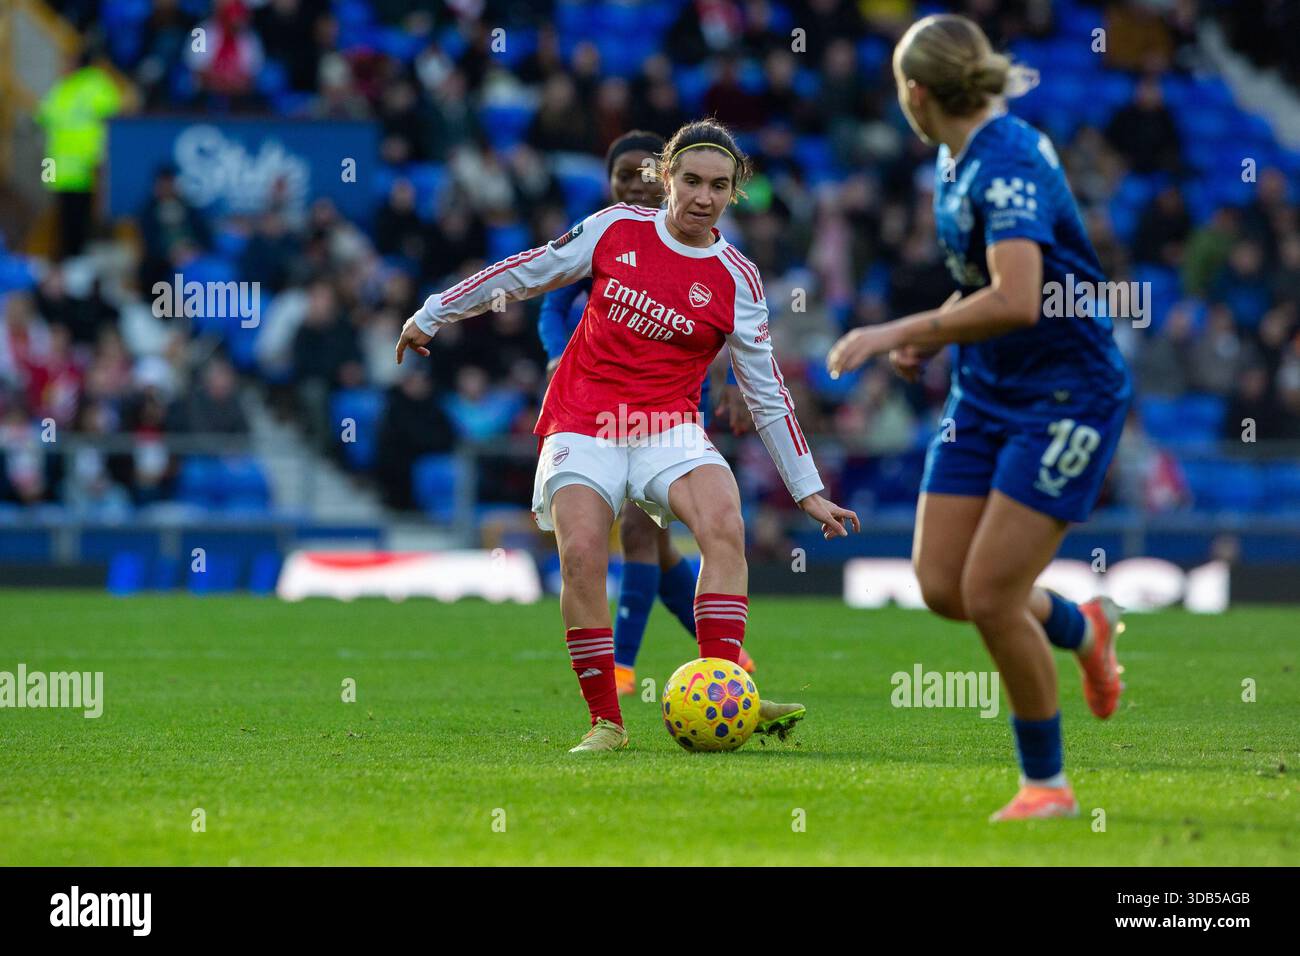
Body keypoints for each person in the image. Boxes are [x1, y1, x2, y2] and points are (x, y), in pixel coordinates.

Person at [399, 118, 859, 752]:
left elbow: (767, 390)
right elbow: (528, 272)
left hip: (666, 427)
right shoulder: (616, 228)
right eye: (691, 180)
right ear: (666, 177)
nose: (703, 197)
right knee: (583, 554)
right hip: (585, 421)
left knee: (724, 524)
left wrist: (807, 490)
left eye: (719, 186)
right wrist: (433, 313)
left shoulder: (739, 279)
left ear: (734, 193)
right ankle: (607, 722)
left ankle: (726, 688)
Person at [828, 14, 1131, 821]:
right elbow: (991, 285)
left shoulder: (1003, 165)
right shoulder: (956, 155)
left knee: (993, 596)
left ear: (917, 93)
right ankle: (1083, 625)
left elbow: (1020, 297)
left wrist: (907, 328)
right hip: (986, 393)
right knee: (942, 586)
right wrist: (937, 337)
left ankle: (1048, 786)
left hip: (1066, 398)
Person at [537, 129, 754, 697]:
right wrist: (557, 353)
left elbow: (738, 326)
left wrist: (733, 380)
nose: (634, 184)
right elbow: (550, 300)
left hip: (673, 405)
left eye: (643, 173)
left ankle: (639, 665)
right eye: (622, 176)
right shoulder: (606, 234)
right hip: (595, 402)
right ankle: (718, 661)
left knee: (648, 532)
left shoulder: (713, 252)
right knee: (646, 543)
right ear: (609, 183)